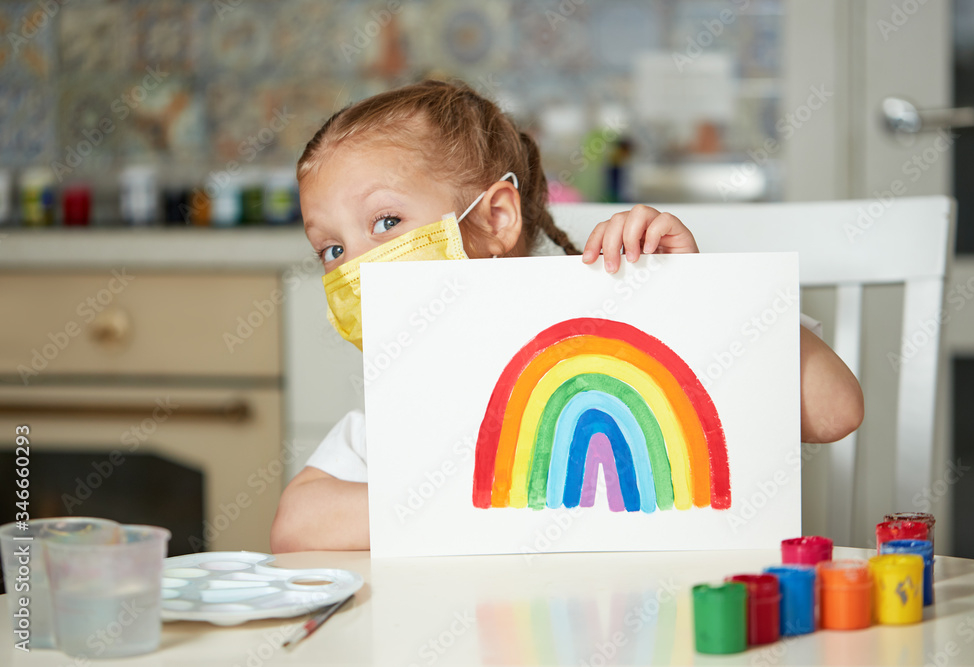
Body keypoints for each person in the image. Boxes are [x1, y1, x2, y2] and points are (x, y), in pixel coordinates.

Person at [270, 80, 864, 553]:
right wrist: (469, 497)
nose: (355, 266)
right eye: (331, 250)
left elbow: (835, 410)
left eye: (385, 223)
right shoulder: (413, 390)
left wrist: (694, 298)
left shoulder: (623, 301)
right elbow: (297, 524)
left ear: (497, 217)